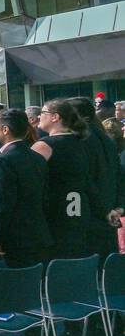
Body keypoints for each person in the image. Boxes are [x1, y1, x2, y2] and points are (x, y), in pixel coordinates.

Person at [0, 109, 51, 270]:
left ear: (5, 129)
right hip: (38, 232)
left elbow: (1, 202)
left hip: (15, 237)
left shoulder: (3, 160)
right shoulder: (36, 157)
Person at [33, 100, 94, 260]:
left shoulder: (44, 146)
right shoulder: (81, 142)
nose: (39, 116)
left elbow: (30, 180)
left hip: (54, 213)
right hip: (79, 211)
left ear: (55, 117)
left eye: (43, 112)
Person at [68, 95, 124, 259]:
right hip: (108, 211)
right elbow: (118, 176)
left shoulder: (82, 140)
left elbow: (86, 179)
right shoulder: (105, 138)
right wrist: (118, 206)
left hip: (91, 214)